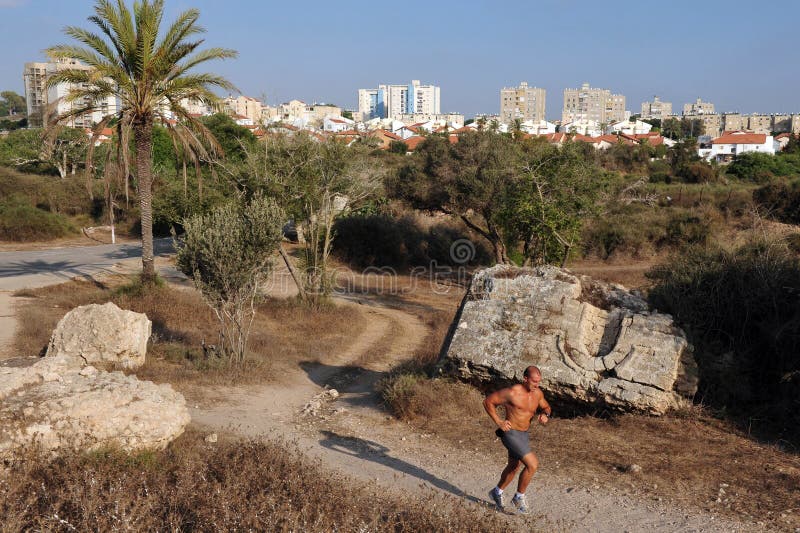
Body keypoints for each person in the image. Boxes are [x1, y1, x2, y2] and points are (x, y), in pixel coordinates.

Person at [483, 365, 551, 514]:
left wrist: (546, 415)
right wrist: (499, 421)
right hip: (510, 433)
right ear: (525, 379)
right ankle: (519, 497)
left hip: (523, 435)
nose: (536, 385)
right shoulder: (512, 393)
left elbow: (546, 407)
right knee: (532, 465)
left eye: (538, 381)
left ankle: (497, 491)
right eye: (534, 381)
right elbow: (488, 402)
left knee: (514, 467)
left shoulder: (538, 393)